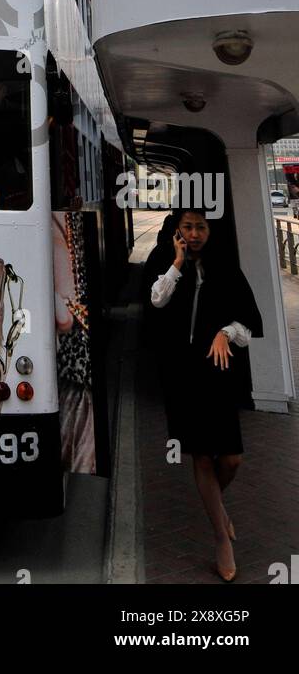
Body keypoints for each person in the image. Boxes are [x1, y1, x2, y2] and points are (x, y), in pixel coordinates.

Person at [143, 206, 262, 582]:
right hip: (182, 374)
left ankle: (218, 509)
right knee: (203, 459)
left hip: (219, 374)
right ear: (176, 232)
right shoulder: (166, 261)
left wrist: (225, 332)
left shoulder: (226, 267)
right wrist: (177, 263)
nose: (194, 234)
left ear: (211, 231)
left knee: (232, 460)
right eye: (186, 228)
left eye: (200, 228)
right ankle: (219, 537)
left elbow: (248, 324)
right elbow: (156, 300)